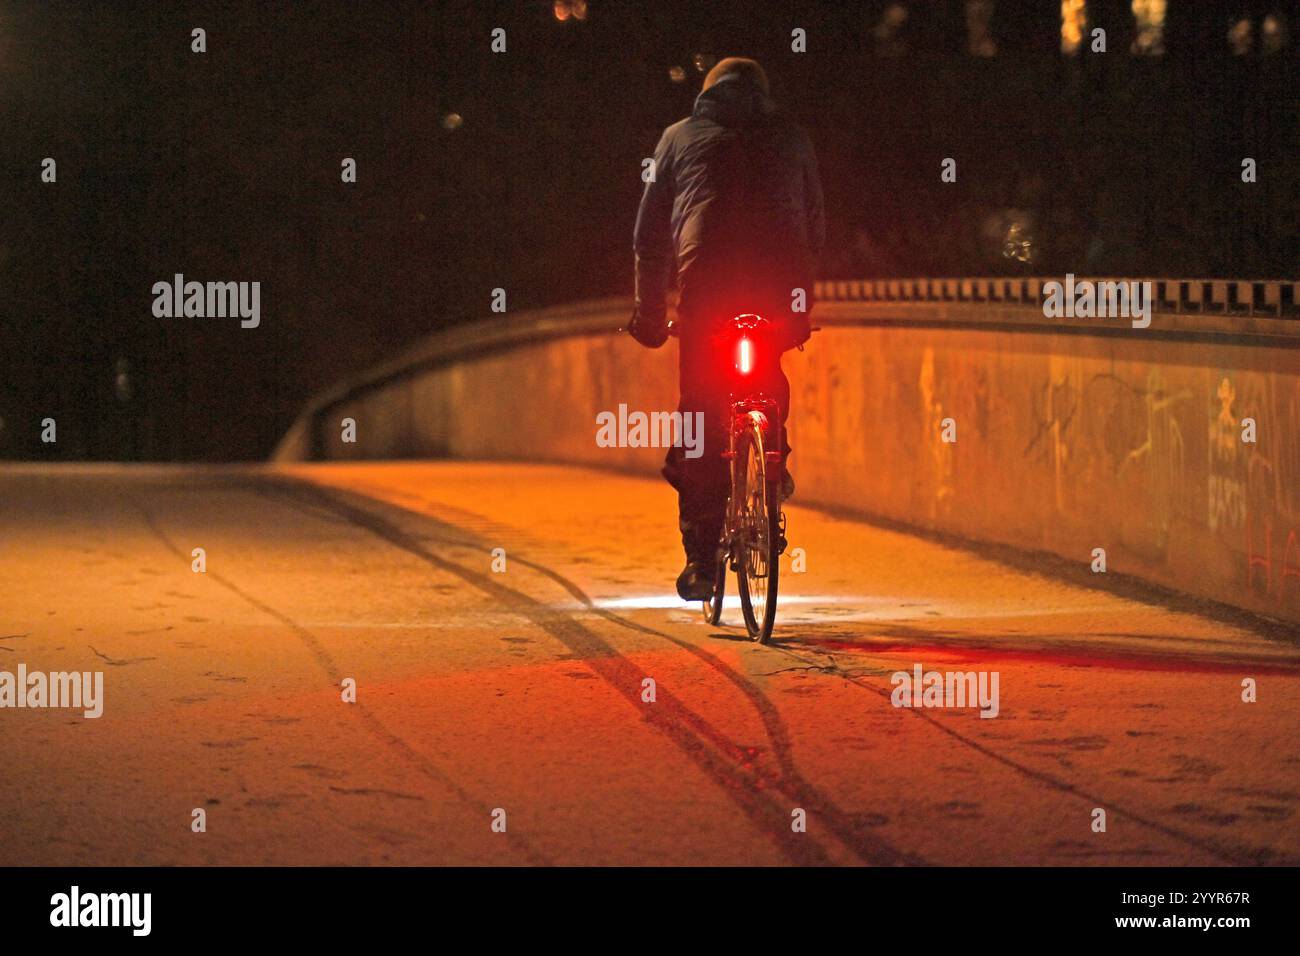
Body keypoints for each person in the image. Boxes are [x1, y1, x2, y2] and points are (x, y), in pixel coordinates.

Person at [627, 56, 825, 601]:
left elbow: (648, 239)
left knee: (698, 415)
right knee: (768, 372)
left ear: (706, 94)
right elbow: (813, 226)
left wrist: (648, 317)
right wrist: (799, 306)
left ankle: (701, 561)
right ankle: (773, 462)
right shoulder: (792, 137)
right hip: (775, 283)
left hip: (707, 289)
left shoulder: (676, 137)